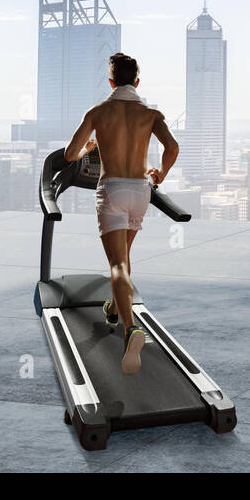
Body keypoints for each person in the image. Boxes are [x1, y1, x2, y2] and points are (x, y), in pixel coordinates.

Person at [63, 52, 179, 375]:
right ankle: (114, 309)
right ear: (137, 82)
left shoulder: (99, 112)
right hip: (140, 190)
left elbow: (72, 153)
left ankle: (130, 330)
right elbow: (173, 149)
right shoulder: (152, 114)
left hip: (112, 188)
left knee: (116, 265)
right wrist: (161, 175)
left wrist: (92, 146)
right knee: (124, 260)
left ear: (111, 81)